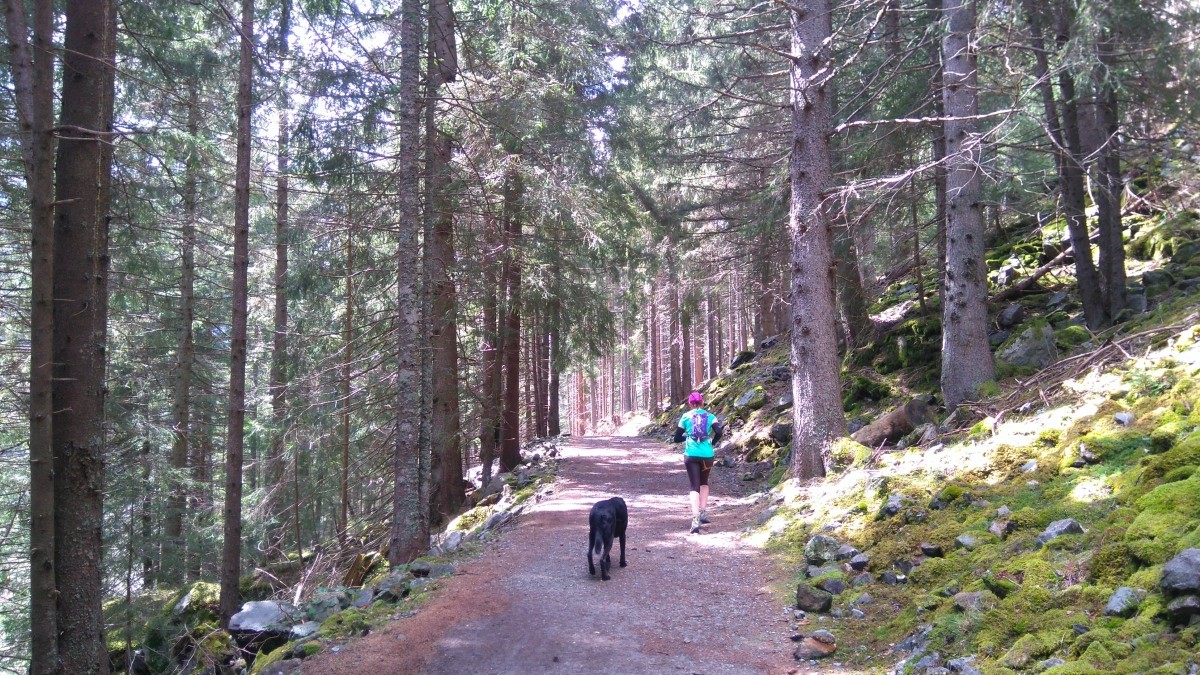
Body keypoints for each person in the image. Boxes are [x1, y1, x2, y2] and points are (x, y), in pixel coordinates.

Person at [672, 391, 723, 533]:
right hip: (707, 454)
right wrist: (712, 442)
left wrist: (688, 437)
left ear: (690, 403)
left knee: (694, 486)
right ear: (702, 402)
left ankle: (695, 519)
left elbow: (676, 438)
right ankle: (703, 512)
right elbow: (719, 432)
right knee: (704, 482)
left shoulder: (685, 417)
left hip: (691, 455)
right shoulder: (711, 416)